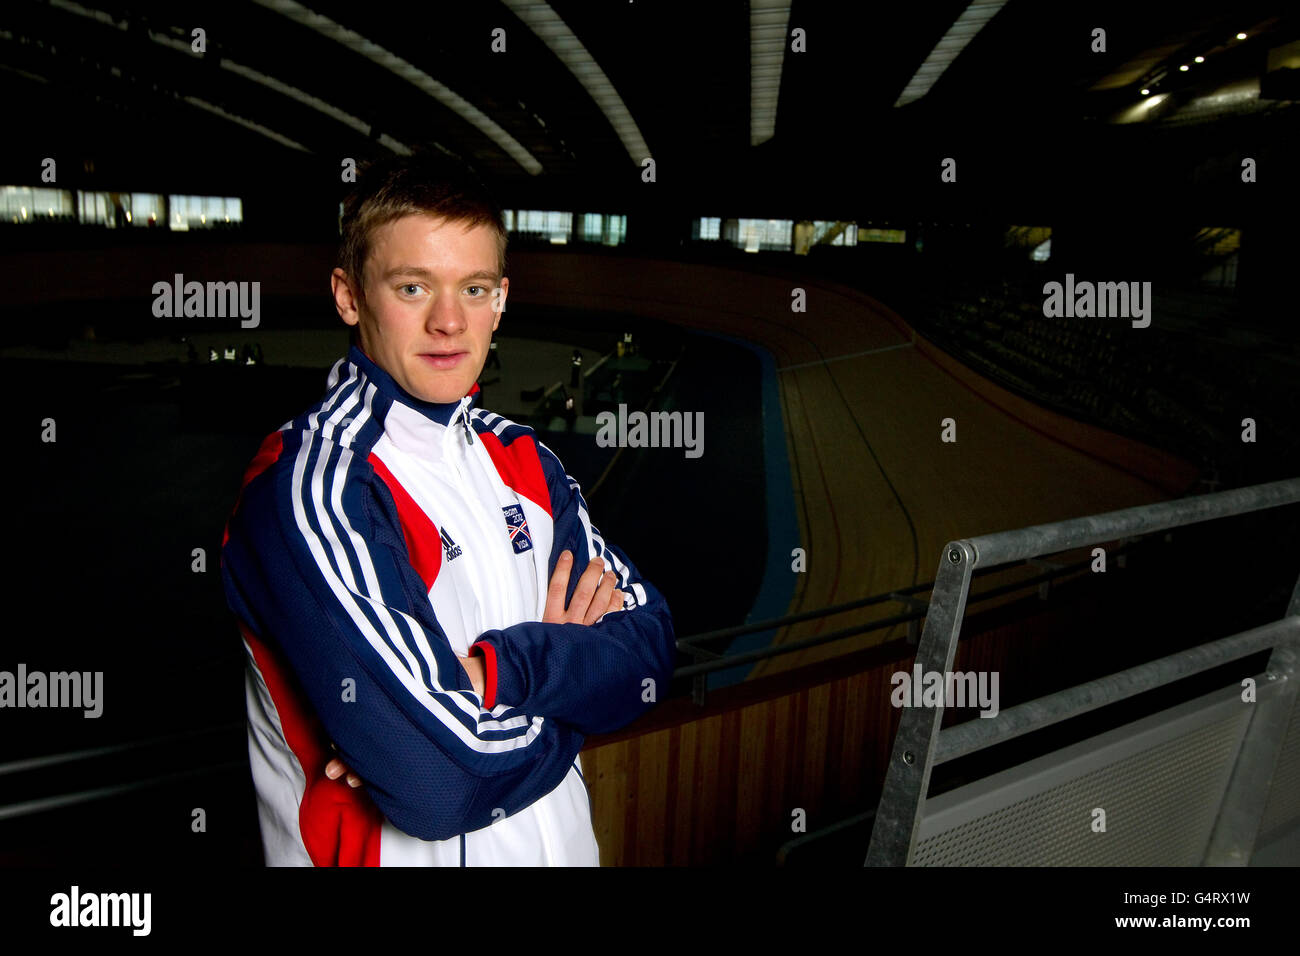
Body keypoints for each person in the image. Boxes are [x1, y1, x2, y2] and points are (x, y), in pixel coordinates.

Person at [220, 153, 676, 866]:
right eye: (412, 287)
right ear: (348, 295)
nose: (448, 322)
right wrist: (572, 687)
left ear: (500, 298)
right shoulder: (311, 489)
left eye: (473, 288)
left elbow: (649, 651)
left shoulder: (526, 462)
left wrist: (494, 676)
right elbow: (440, 784)